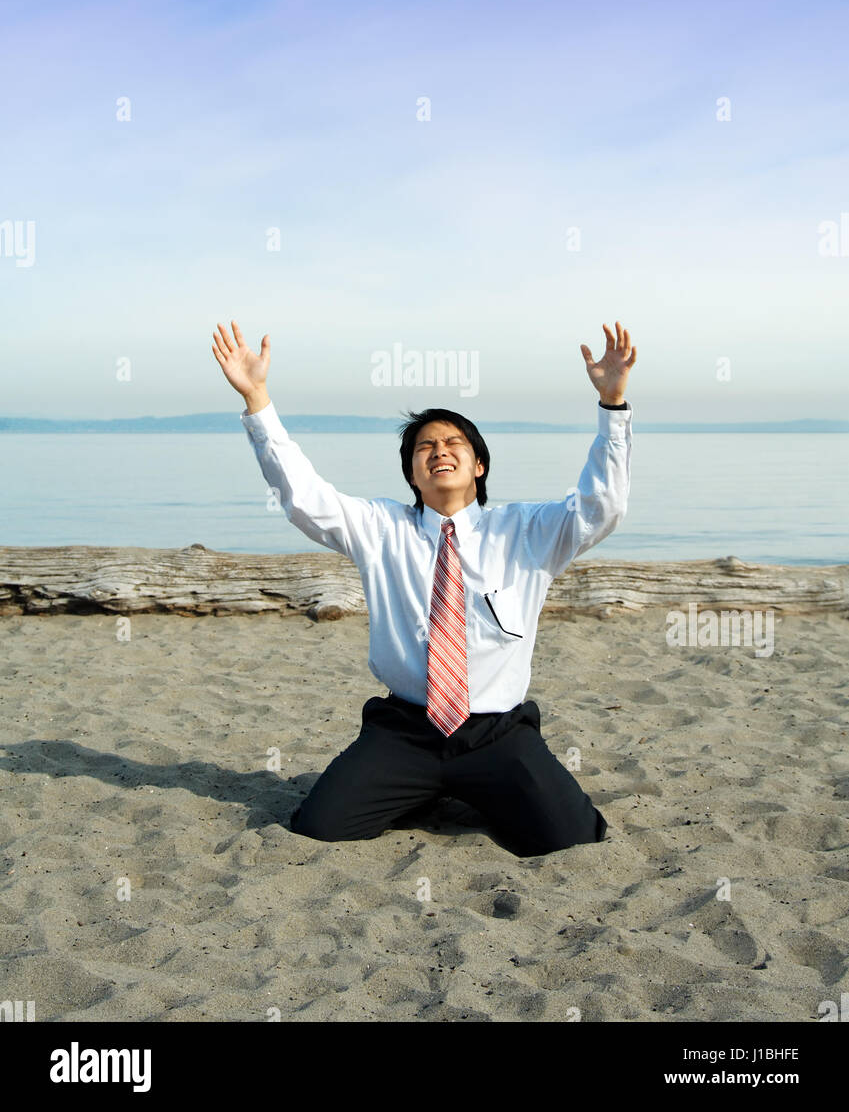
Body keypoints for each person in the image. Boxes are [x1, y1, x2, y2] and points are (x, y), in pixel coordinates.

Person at [212, 319, 635, 857]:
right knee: (319, 827)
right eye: (425, 447)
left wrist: (613, 406)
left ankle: (476, 788)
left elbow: (603, 507)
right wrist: (257, 399)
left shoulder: (528, 531)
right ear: (412, 473)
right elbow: (303, 498)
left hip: (497, 734)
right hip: (405, 731)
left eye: (454, 442)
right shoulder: (380, 527)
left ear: (478, 465)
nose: (440, 450)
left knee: (572, 838)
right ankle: (421, 790)